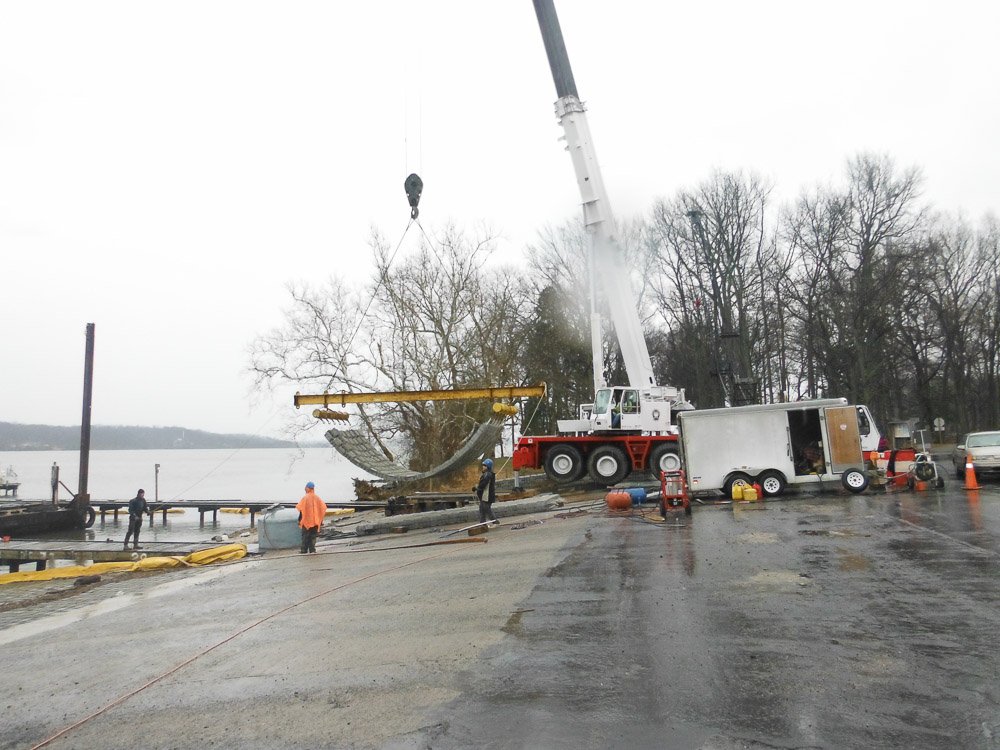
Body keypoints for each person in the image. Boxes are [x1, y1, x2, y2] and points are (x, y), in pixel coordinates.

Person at [295, 481, 327, 554]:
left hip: (306, 521)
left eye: (305, 487)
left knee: (305, 536)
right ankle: (312, 550)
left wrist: (299, 519)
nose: (305, 489)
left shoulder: (305, 498)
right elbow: (323, 508)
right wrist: (320, 520)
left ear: (308, 488)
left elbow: (301, 509)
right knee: (313, 537)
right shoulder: (317, 498)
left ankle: (304, 550)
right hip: (315, 521)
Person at [474, 458, 498, 524]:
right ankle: (483, 523)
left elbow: (483, 485)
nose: (483, 467)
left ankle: (495, 522)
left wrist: (476, 488)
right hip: (485, 496)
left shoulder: (488, 475)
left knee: (487, 509)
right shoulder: (487, 474)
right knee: (482, 509)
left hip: (487, 496)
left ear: (488, 467)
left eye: (484, 465)